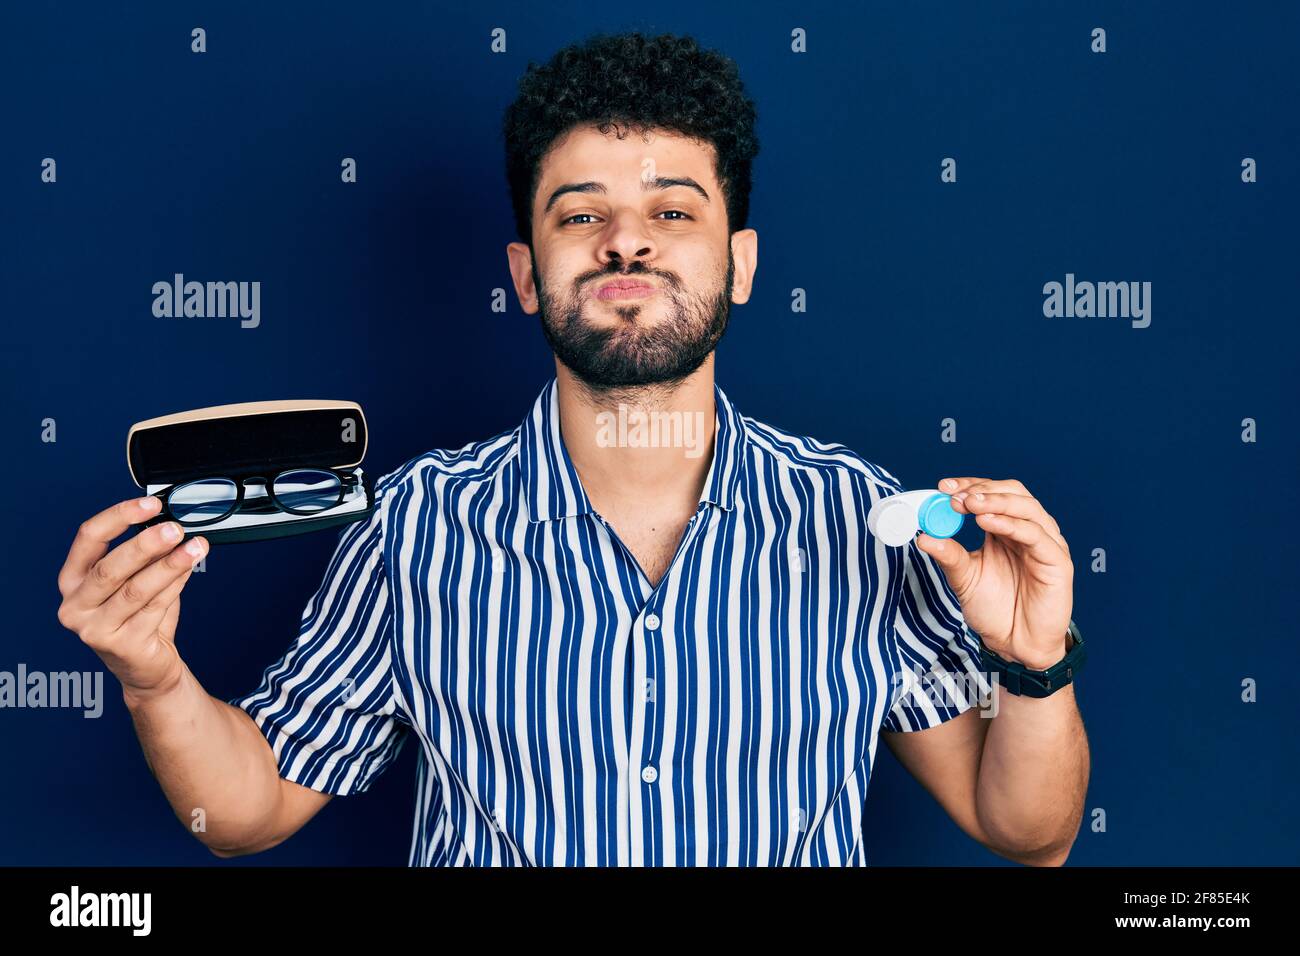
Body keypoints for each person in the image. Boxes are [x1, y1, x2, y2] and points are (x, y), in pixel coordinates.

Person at [56, 31, 1088, 866]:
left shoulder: (857, 518)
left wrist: (1034, 662)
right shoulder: (419, 524)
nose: (624, 242)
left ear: (740, 264)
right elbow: (248, 810)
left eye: (670, 212)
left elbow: (1027, 832)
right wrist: (153, 678)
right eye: (579, 213)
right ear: (524, 270)